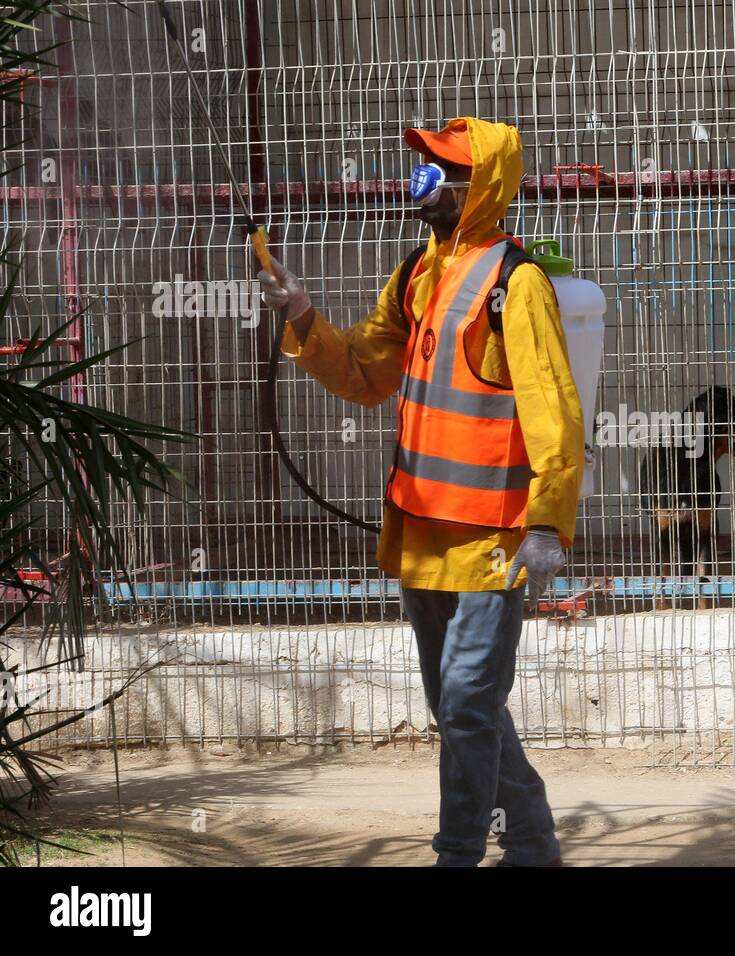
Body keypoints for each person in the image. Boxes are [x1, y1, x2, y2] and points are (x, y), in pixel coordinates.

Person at [259, 117, 585, 867]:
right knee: (458, 706)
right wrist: (302, 315)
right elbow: (366, 376)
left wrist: (548, 527)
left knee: (468, 704)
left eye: (444, 168)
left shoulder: (518, 283)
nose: (426, 179)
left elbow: (556, 413)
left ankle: (457, 853)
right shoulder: (417, 272)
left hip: (495, 538)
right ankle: (533, 842)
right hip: (422, 530)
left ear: (482, 189)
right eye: (426, 164)